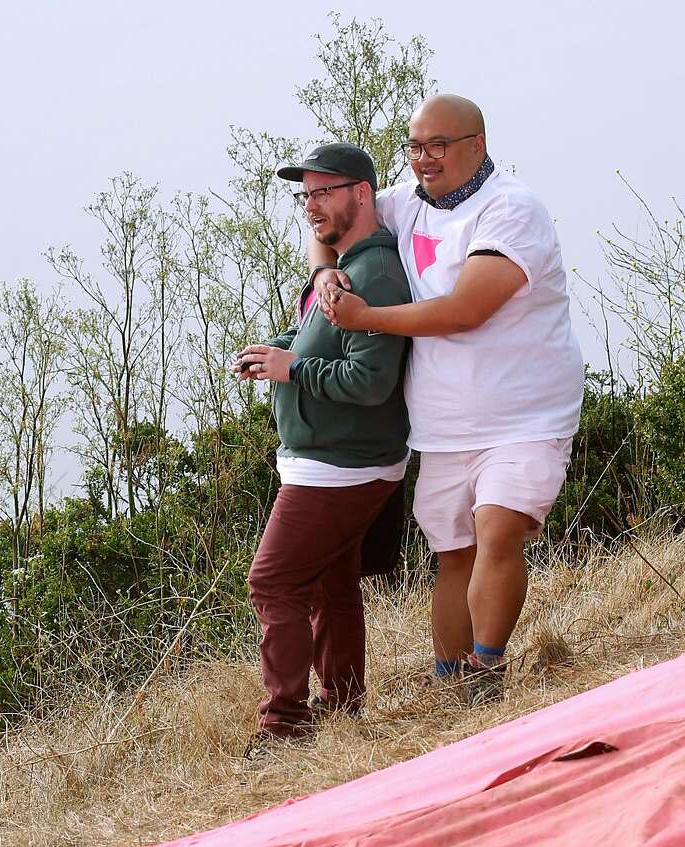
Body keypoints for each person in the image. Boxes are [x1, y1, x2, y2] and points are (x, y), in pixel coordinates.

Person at [314, 95, 585, 701]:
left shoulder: (512, 209)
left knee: (497, 527)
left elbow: (467, 309)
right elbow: (334, 221)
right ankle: (451, 681)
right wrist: (324, 271)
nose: (422, 159)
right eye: (413, 147)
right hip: (443, 421)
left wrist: (367, 317)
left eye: (437, 146)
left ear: (476, 145)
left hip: (526, 411)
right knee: (453, 548)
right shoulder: (403, 203)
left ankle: (488, 670)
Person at [234, 141, 411, 751]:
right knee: (333, 582)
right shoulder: (340, 267)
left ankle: (284, 721)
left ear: (361, 193)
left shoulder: (375, 275)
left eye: (323, 192)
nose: (311, 206)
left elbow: (370, 381)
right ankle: (342, 705)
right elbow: (322, 339)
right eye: (304, 194)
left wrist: (292, 370)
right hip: (329, 460)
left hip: (341, 466)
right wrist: (282, 348)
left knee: (274, 583)